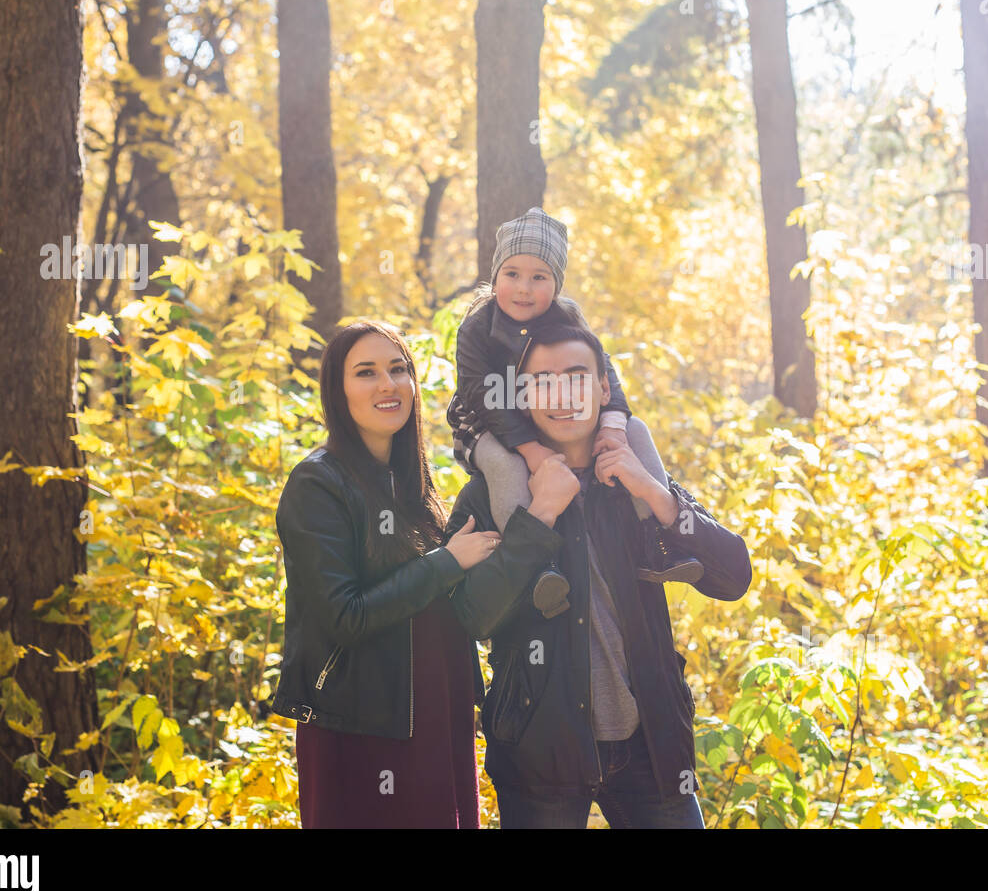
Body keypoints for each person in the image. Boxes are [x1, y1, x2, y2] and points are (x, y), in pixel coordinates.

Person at [443, 323, 754, 828]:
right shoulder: (490, 493)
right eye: (542, 380)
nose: (561, 394)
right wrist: (537, 519)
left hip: (652, 745)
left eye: (577, 377)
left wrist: (657, 494)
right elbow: (469, 617)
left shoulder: (638, 482)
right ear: (522, 396)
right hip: (539, 752)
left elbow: (733, 576)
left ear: (605, 389)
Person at [270, 319, 501, 828]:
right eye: (366, 372)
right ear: (338, 389)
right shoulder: (318, 483)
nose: (387, 384)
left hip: (437, 712)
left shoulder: (414, 484)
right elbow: (343, 617)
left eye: (398, 369)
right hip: (363, 724)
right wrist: (446, 563)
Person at [445, 207, 704, 620]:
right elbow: (482, 395)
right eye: (512, 274)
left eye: (539, 277)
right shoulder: (477, 327)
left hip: (542, 413)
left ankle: (656, 542)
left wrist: (615, 425)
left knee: (636, 430)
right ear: (495, 278)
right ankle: (539, 570)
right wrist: (530, 450)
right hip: (485, 422)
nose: (524, 288)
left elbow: (607, 377)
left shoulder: (567, 317)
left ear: (556, 284)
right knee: (505, 465)